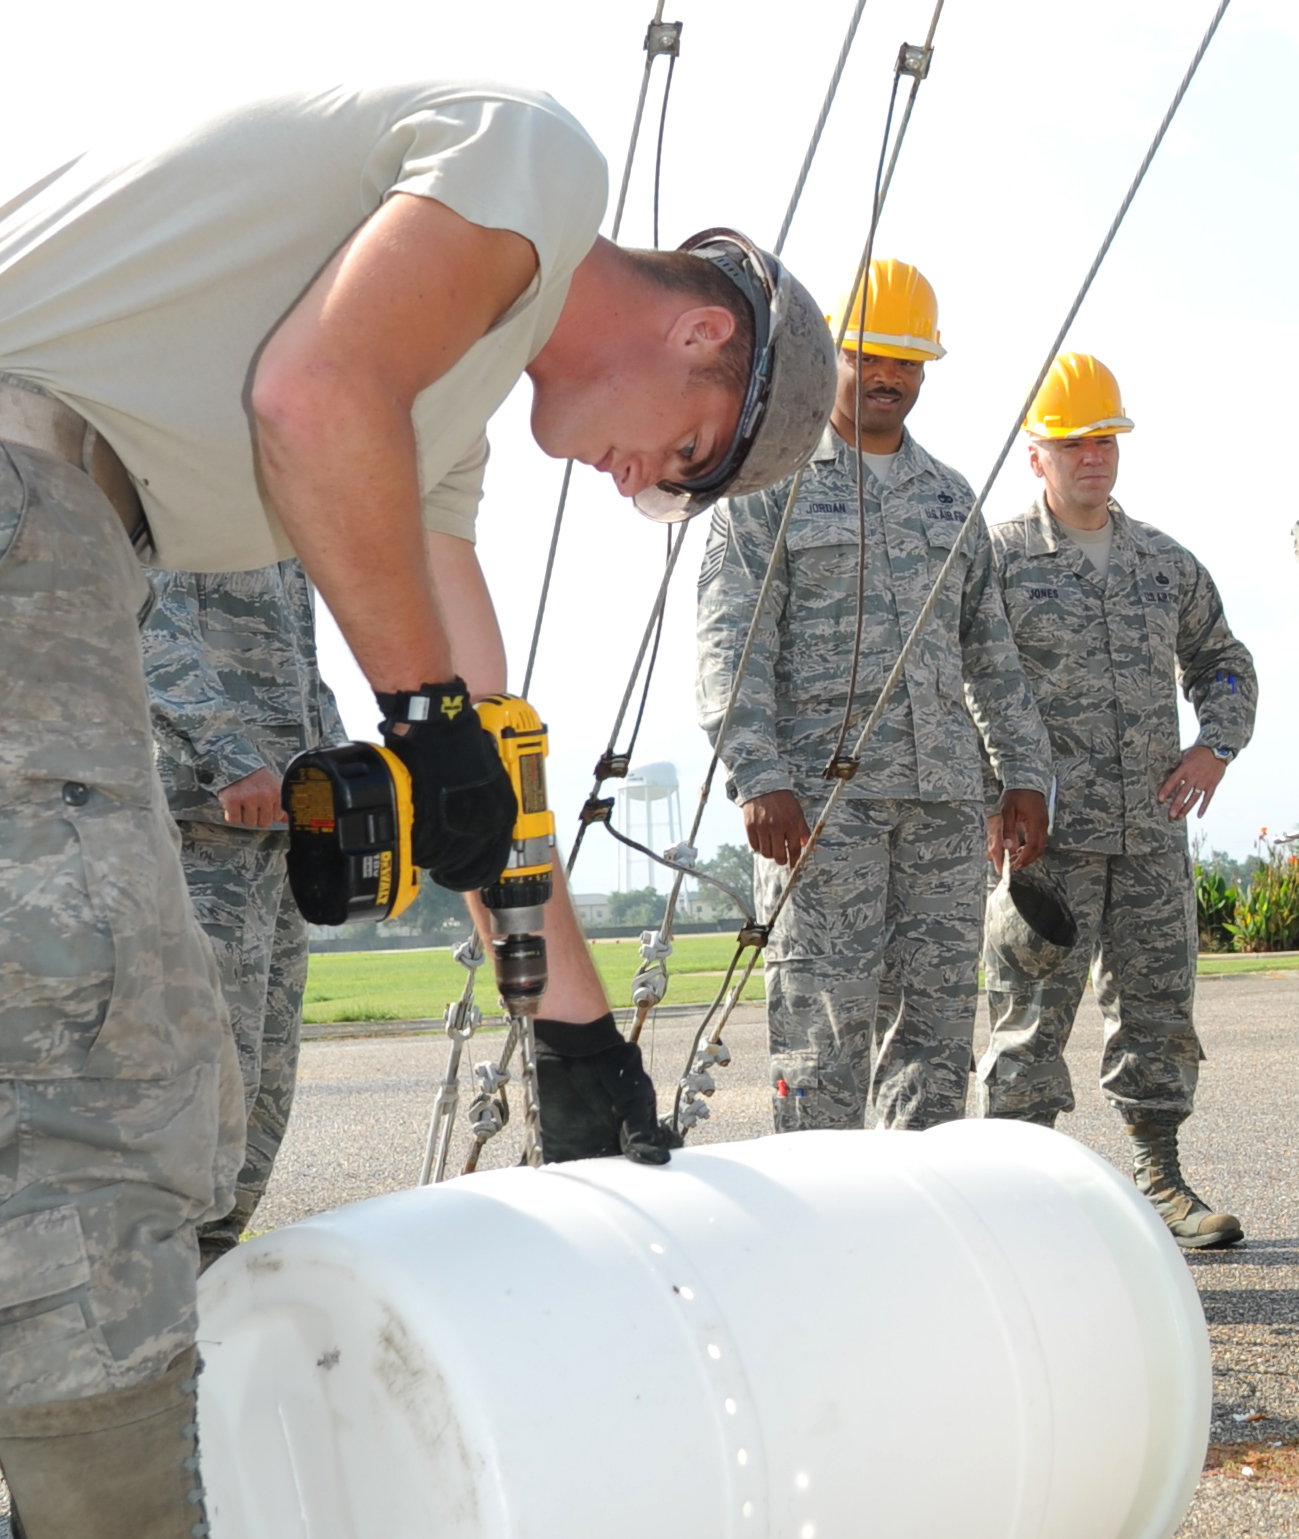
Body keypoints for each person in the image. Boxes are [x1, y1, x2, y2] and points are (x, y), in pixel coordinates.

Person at [0, 83, 836, 1537]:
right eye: (688, 457)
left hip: (65, 529)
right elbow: (307, 399)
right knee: (113, 1059)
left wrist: (570, 1031)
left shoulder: (437, 421)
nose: (640, 481)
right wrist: (424, 718)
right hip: (27, 500)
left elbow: (478, 759)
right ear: (707, 334)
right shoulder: (538, 162)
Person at [697, 259, 1051, 1133]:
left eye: (909, 361)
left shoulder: (948, 496)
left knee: (933, 1039)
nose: (890, 376)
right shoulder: (767, 484)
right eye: (872, 357)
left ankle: (917, 1231)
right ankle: (822, 1239)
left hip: (940, 804)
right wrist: (755, 773)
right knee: (825, 1029)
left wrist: (1025, 775)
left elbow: (990, 651)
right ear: (833, 359)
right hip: (821, 808)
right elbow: (729, 637)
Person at [977, 353, 1256, 1249]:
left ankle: (1162, 1181)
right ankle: (1020, 1202)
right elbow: (956, 683)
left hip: (1148, 835)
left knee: (1158, 1014)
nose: (1091, 457)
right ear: (1036, 454)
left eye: (1104, 440)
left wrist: (1214, 745)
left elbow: (1221, 658)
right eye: (1071, 442)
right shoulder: (996, 561)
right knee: (1029, 1019)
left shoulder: (1162, 563)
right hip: (1043, 841)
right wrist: (991, 797)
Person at [141, 559, 346, 1272]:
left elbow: (294, 650)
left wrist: (339, 767)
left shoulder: (273, 476)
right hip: (197, 818)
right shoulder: (167, 464)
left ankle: (211, 1303)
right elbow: (136, 611)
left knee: (258, 1102)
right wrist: (223, 750)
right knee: (198, 1098)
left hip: (281, 813)